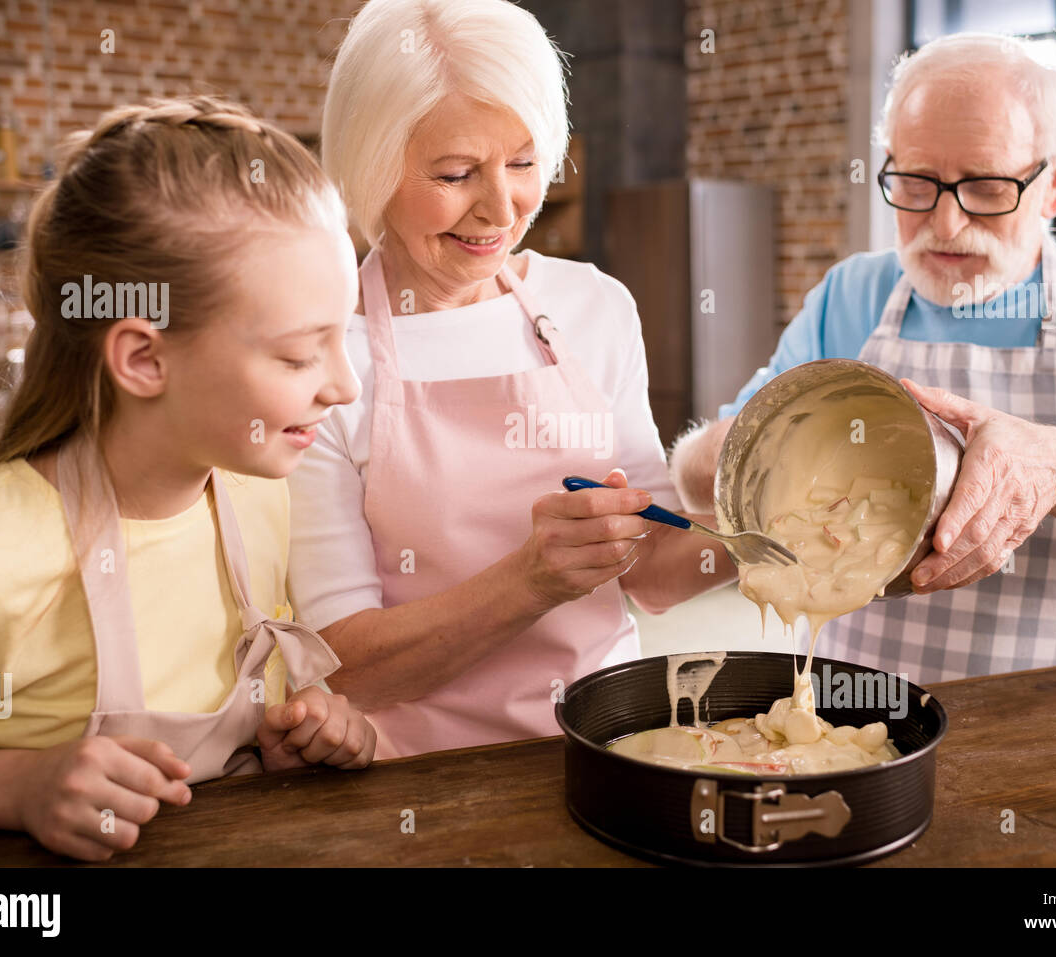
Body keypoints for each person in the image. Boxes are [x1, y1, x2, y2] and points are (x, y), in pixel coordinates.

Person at [0, 96, 376, 861]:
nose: (345, 385)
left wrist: (293, 736)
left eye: (343, 338)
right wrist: (18, 787)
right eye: (299, 356)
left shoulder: (255, 494)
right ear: (143, 359)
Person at [672, 33, 1056, 683]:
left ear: (1055, 180)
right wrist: (736, 453)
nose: (947, 224)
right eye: (917, 182)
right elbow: (701, 479)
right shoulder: (851, 296)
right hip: (851, 726)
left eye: (984, 187)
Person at [287, 0, 733, 758]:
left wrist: (763, 524)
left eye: (524, 163)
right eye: (456, 173)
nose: (501, 208)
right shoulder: (324, 352)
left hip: (608, 747)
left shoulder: (593, 305)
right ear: (372, 166)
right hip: (413, 782)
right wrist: (528, 580)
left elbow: (653, 570)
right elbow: (349, 667)